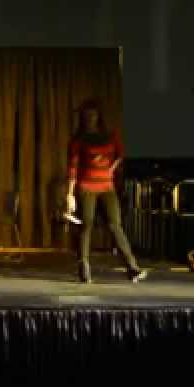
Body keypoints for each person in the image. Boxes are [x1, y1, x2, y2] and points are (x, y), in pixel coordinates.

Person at [66, 99, 146, 284]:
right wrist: (70, 194)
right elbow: (72, 168)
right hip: (86, 186)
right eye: (86, 115)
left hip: (107, 187)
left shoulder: (110, 135)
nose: (90, 118)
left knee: (115, 224)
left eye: (93, 115)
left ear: (98, 116)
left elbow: (120, 154)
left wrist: (111, 169)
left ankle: (132, 268)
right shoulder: (78, 140)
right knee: (86, 225)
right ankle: (84, 268)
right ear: (83, 118)